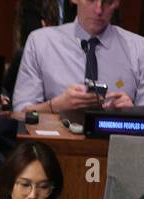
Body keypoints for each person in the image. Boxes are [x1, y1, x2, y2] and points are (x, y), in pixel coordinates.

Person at [13, 0, 144, 117]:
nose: (98, 10)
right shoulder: (41, 42)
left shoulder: (138, 48)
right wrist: (55, 106)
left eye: (107, 2)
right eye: (91, 0)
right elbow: (20, 113)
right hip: (55, 135)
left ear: (116, 3)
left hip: (115, 136)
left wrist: (131, 113)